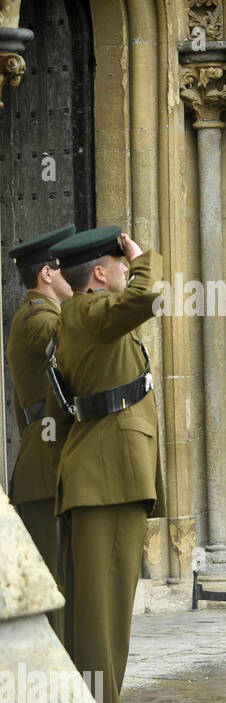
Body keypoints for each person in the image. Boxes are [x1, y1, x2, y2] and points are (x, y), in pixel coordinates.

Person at [48, 226, 170, 703]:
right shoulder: (87, 313)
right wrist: (146, 259)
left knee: (101, 612)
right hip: (106, 477)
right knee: (102, 616)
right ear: (101, 272)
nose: (127, 270)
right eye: (119, 264)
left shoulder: (90, 318)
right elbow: (145, 295)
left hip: (106, 476)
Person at [5, 224, 75, 642]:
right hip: (46, 469)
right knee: (52, 591)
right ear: (47, 273)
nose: (77, 276)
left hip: (51, 467)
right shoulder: (36, 318)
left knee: (60, 587)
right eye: (69, 269)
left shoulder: (41, 314)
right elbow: (80, 339)